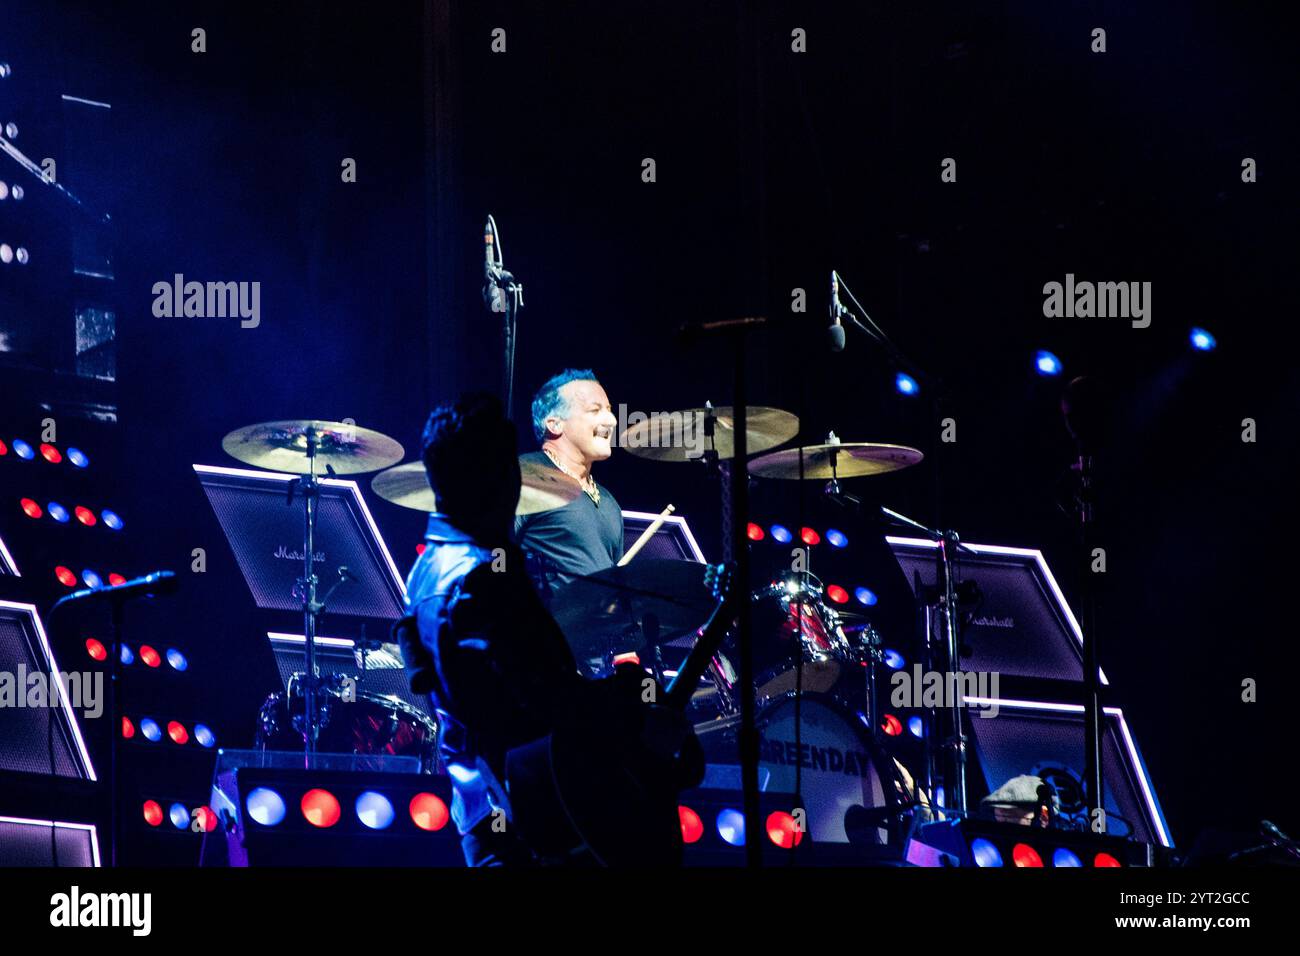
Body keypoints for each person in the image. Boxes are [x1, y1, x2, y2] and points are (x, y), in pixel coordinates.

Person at [394, 393, 586, 866]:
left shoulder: (426, 570)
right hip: (527, 821)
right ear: (496, 480)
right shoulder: (481, 579)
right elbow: (542, 702)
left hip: (483, 811)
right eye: (508, 469)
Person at [515, 369, 624, 598]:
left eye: (610, 411)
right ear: (554, 424)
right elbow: (491, 550)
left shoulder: (608, 502)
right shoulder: (526, 476)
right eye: (595, 410)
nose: (612, 420)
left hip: (598, 631)